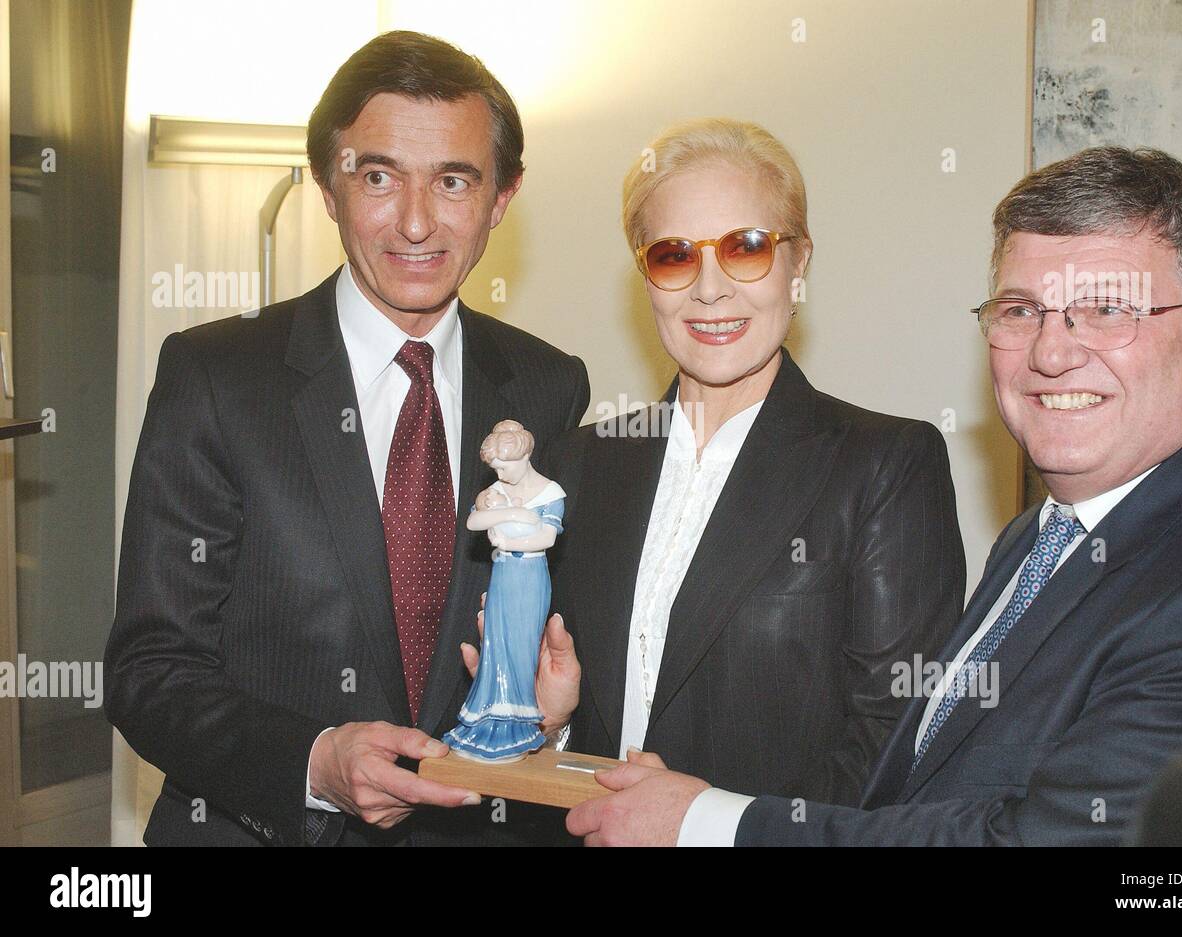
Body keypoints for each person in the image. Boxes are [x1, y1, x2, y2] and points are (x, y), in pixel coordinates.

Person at [566, 146, 1182, 846]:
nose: (1051, 351)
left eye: (1107, 308)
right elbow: (925, 783)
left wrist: (707, 825)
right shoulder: (1045, 534)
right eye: (1020, 309)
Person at [105, 31, 587, 846]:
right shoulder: (216, 376)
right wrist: (315, 760)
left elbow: (559, 635)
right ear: (330, 186)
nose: (415, 221)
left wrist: (552, 723)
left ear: (501, 197)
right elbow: (150, 670)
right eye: (378, 176)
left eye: (454, 180)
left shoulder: (549, 383)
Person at [539, 118, 966, 814]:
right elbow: (576, 731)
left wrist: (704, 829)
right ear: (645, 274)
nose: (709, 289)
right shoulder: (579, 462)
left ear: (798, 265)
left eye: (746, 248)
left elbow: (896, 743)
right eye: (675, 255)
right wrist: (549, 730)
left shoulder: (885, 466)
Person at [444, 421, 566, 761]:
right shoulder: (496, 492)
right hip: (502, 573)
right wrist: (512, 512)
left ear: (524, 454)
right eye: (495, 467)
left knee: (521, 648)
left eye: (503, 465)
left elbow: (547, 537)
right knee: (495, 645)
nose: (499, 472)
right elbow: (472, 522)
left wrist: (508, 536)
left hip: (529, 575)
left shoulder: (550, 492)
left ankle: (517, 725)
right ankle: (487, 720)